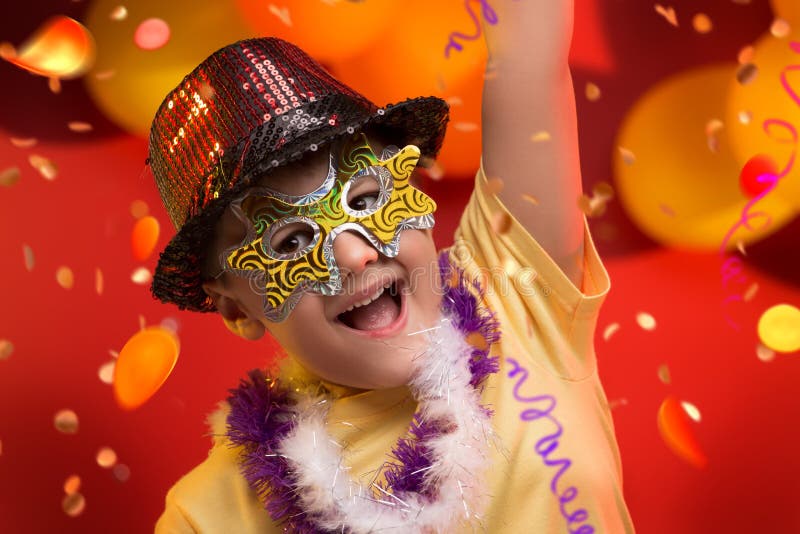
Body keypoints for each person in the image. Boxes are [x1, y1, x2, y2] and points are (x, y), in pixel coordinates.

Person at [150, 1, 635, 532]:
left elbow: (530, 45)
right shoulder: (210, 515)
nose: (356, 255)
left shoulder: (516, 286)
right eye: (291, 240)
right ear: (236, 309)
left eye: (364, 200)